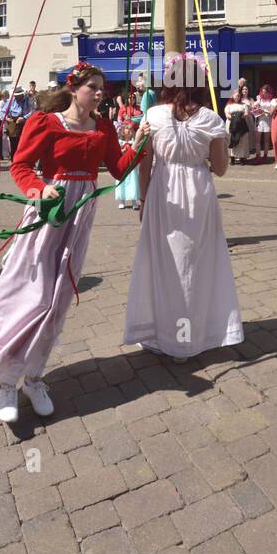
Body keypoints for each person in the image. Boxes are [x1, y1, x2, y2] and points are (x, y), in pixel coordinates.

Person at [0, 62, 141, 423]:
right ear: (74, 89)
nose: (101, 93)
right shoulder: (46, 122)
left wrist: (141, 141)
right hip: (48, 212)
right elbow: (21, 166)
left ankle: (34, 377)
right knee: (27, 294)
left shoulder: (102, 126)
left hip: (80, 215)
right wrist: (39, 188)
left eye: (103, 87)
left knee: (56, 300)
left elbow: (118, 168)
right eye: (94, 87)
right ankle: (4, 379)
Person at [123, 55, 242, 360]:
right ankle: (185, 338)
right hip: (197, 194)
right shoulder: (211, 119)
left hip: (163, 193)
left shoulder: (153, 114)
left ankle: (169, 334)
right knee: (194, 264)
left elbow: (145, 162)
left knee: (165, 264)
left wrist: (144, 199)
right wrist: (222, 142)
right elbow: (220, 168)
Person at [115, 120, 142, 210]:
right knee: (122, 182)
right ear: (122, 130)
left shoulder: (133, 141)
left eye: (129, 129)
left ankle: (134, 201)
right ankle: (121, 201)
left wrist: (134, 131)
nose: (128, 131)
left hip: (132, 166)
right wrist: (122, 151)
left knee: (133, 182)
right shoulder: (119, 142)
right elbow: (117, 153)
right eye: (126, 129)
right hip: (122, 164)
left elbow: (137, 144)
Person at [225, 87, 251, 165]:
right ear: (232, 96)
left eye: (238, 96)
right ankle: (232, 158)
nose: (237, 97)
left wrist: (238, 118)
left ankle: (242, 158)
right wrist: (235, 118)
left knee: (242, 141)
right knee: (232, 139)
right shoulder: (229, 105)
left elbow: (246, 114)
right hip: (231, 124)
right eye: (236, 96)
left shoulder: (244, 105)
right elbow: (227, 115)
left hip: (242, 124)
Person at [252, 84, 275, 163]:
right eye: (262, 92)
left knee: (266, 140)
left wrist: (264, 112)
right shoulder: (259, 98)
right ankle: (258, 155)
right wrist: (256, 106)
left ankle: (265, 155)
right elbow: (253, 108)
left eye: (265, 92)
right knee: (257, 140)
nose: (263, 94)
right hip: (259, 120)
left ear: (269, 92)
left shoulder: (271, 100)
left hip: (267, 120)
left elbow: (272, 112)